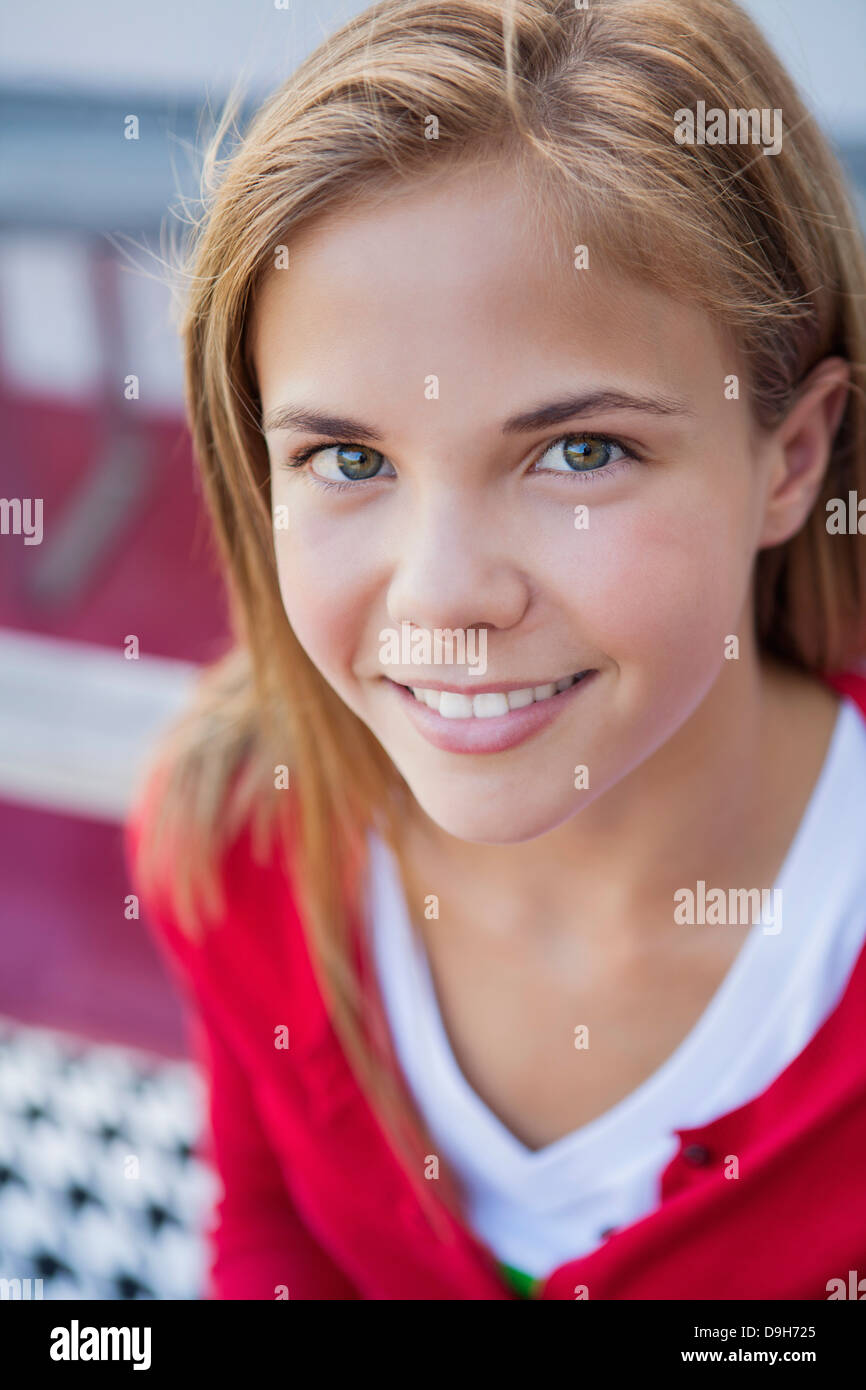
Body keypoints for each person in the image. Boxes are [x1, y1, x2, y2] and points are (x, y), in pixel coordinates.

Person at [128, 0, 866, 1299]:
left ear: (788, 459)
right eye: (347, 459)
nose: (445, 597)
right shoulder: (238, 826)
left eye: (579, 453)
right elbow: (273, 1237)